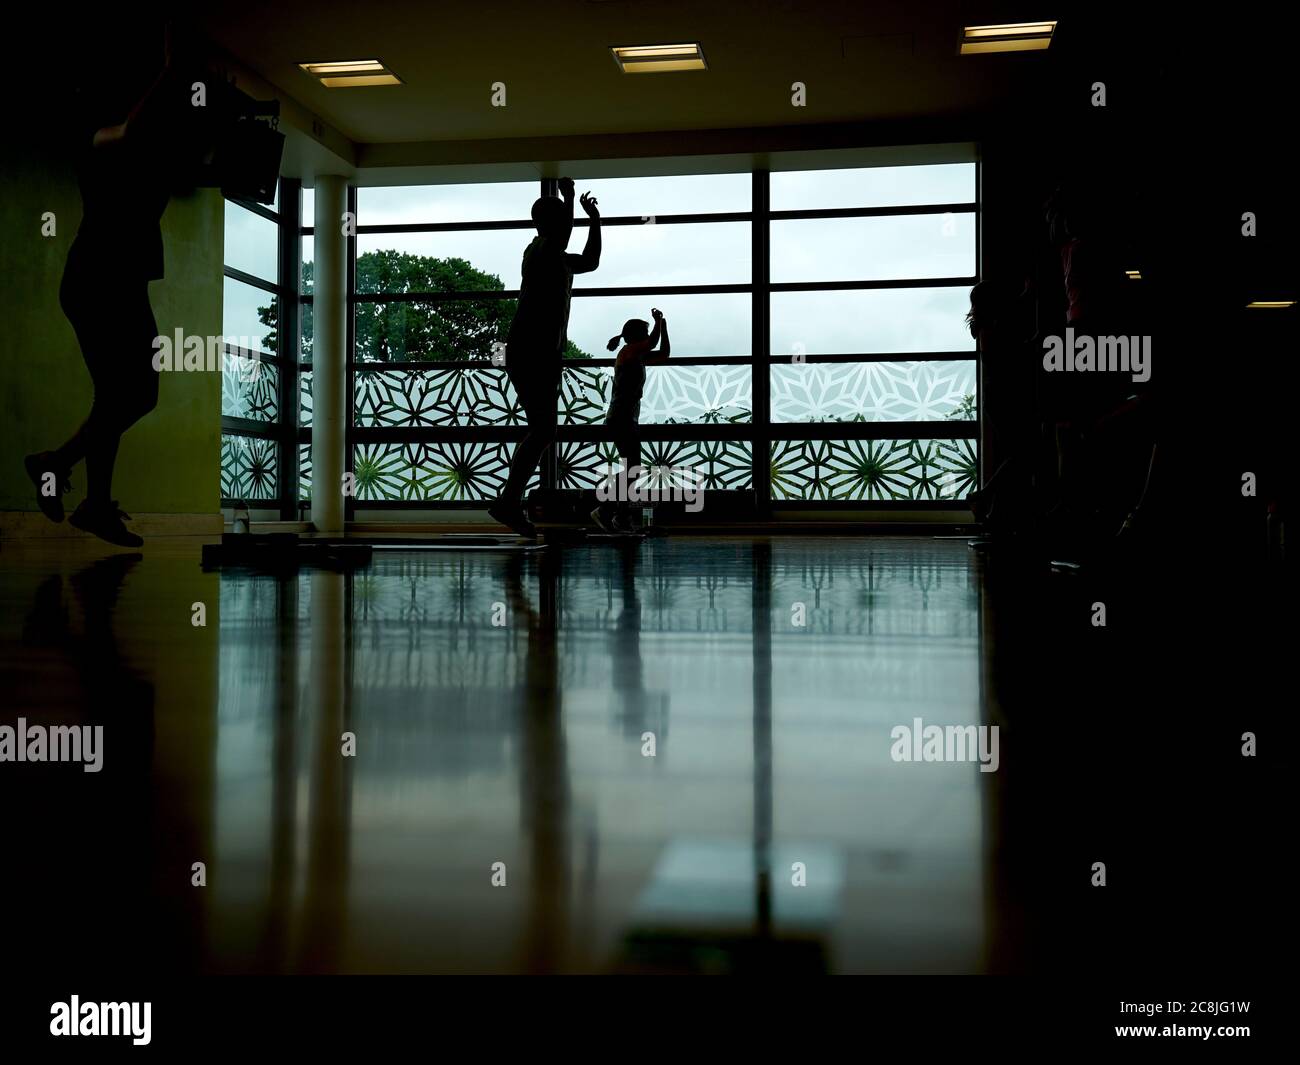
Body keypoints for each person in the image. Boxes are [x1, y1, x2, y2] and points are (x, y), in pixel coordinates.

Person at [25, 23, 213, 547]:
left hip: (117, 282)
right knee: (133, 394)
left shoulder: (147, 151)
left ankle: (91, 499)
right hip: (96, 280)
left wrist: (196, 97)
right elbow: (133, 132)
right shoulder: (97, 139)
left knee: (122, 395)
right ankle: (60, 469)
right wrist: (173, 74)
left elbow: (186, 160)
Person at [488, 178, 602, 537]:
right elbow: (564, 236)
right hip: (531, 351)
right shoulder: (539, 250)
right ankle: (508, 501)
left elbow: (592, 261)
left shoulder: (553, 258)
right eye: (561, 222)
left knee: (543, 429)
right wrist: (570, 199)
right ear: (548, 225)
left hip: (538, 352)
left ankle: (509, 500)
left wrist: (595, 220)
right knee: (544, 429)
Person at [592, 309, 670, 533]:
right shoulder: (628, 352)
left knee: (632, 468)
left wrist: (661, 326)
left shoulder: (635, 356)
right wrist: (659, 324)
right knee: (633, 468)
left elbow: (664, 353)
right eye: (645, 333)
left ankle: (619, 514)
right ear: (636, 337)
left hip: (625, 418)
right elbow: (654, 343)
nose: (648, 337)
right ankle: (609, 511)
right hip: (622, 418)